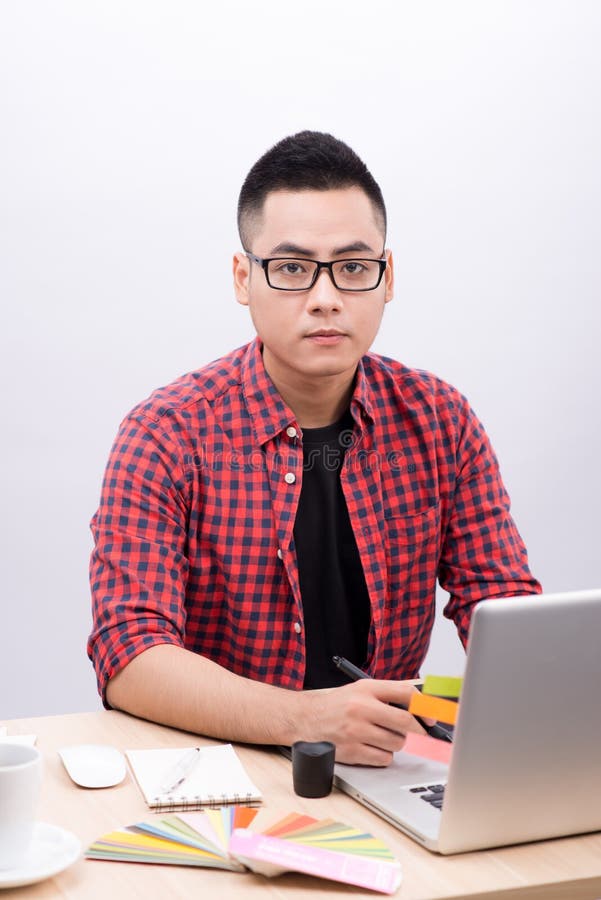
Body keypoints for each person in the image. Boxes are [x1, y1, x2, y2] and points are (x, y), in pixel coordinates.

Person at [88, 131, 540, 765]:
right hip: (217, 774)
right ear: (244, 278)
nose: (326, 298)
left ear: (388, 278)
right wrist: (305, 718)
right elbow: (130, 655)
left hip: (381, 770)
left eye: (354, 267)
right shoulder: (165, 434)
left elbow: (507, 612)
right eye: (293, 268)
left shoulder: (440, 421)